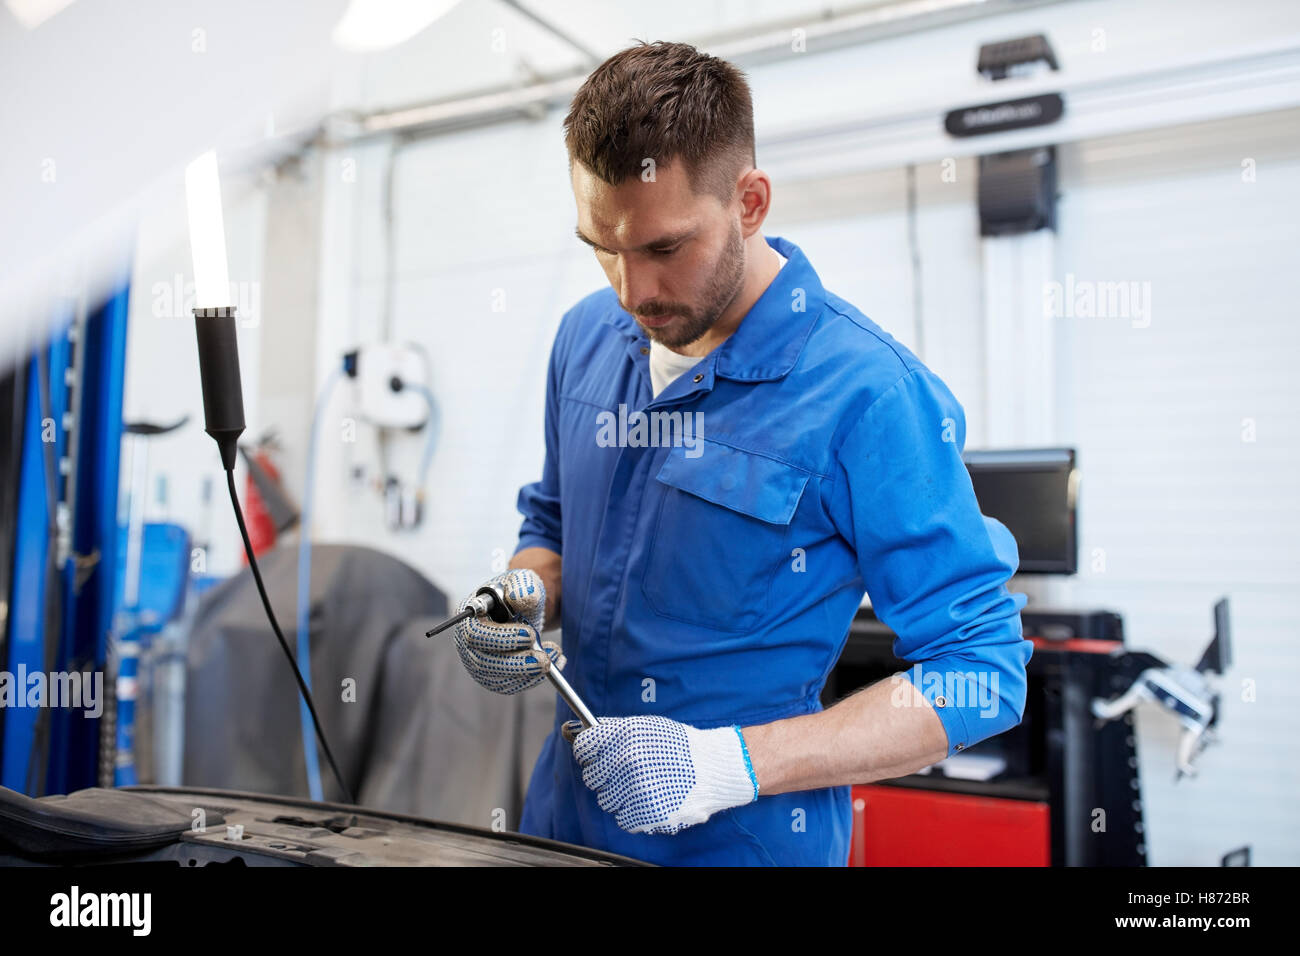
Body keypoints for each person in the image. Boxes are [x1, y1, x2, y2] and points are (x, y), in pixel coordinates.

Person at [452, 40, 1032, 866]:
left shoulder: (870, 396)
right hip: (564, 823)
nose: (632, 290)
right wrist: (524, 596)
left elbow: (983, 670)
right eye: (601, 245)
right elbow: (551, 518)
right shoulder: (586, 337)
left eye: (663, 248)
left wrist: (732, 766)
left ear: (750, 202)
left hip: (745, 841)